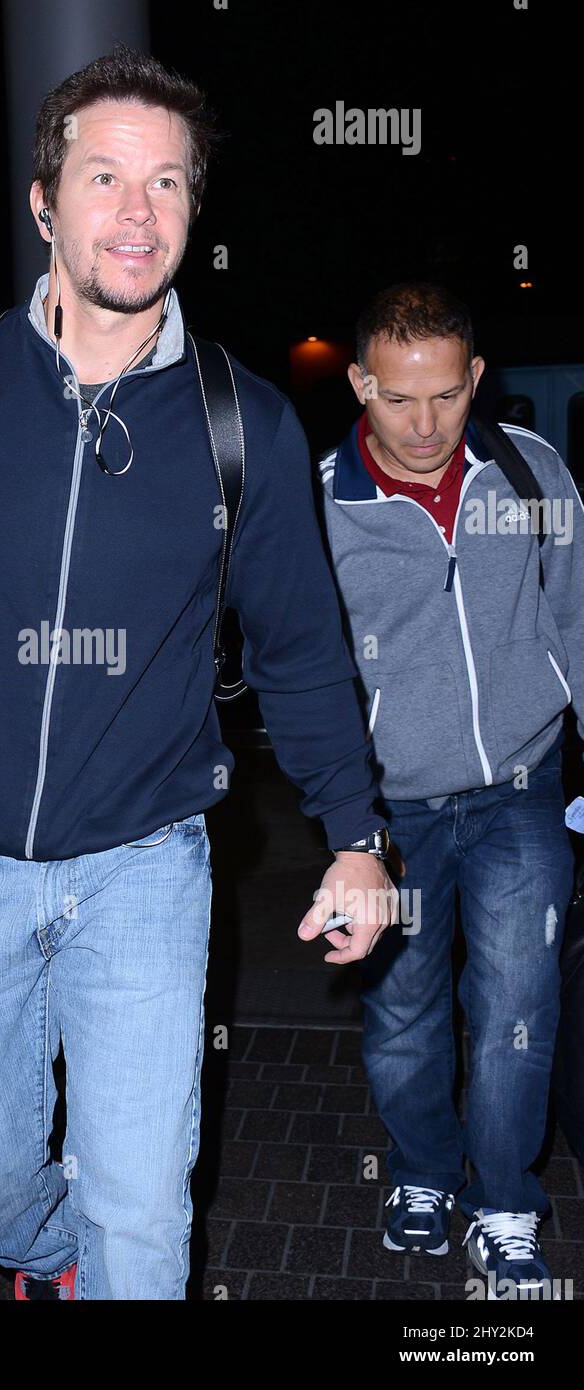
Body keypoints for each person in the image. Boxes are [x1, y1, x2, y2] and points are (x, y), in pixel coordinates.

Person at [0, 46, 393, 1301]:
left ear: (193, 211)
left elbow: (297, 649)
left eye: (169, 183)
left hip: (144, 867)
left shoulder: (243, 422)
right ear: (43, 204)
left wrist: (354, 836)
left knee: (139, 1204)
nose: (138, 212)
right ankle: (42, 1253)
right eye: (105, 178)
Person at [317, 281, 584, 1297]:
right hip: (391, 813)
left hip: (522, 788)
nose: (423, 424)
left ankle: (505, 1201)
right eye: (395, 398)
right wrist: (345, 818)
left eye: (444, 395)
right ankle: (424, 1171)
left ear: (475, 378)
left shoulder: (530, 471)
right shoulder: (320, 505)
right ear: (357, 383)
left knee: (518, 1004)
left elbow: (578, 621)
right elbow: (311, 674)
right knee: (403, 1017)